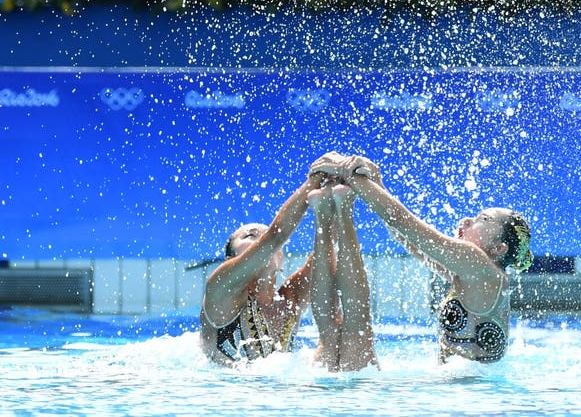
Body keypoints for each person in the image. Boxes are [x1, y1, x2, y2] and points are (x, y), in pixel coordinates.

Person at [310, 152, 533, 365]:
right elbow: (407, 238)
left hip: (472, 396)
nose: (467, 220)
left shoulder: (481, 266)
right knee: (349, 352)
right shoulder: (475, 276)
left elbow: (401, 220)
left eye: (482, 219)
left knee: (352, 345)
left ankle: (334, 211)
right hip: (463, 391)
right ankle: (339, 209)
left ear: (498, 248)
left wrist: (347, 172)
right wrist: (376, 182)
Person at [199, 173, 317, 365]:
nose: (261, 242)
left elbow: (325, 254)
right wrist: (314, 181)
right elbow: (274, 237)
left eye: (263, 238)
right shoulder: (220, 291)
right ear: (231, 260)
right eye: (251, 236)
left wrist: (334, 197)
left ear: (281, 260)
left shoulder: (289, 300)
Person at [307, 179, 378, 372]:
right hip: (360, 376)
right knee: (357, 327)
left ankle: (322, 217)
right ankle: (344, 212)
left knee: (327, 333)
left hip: (321, 371)